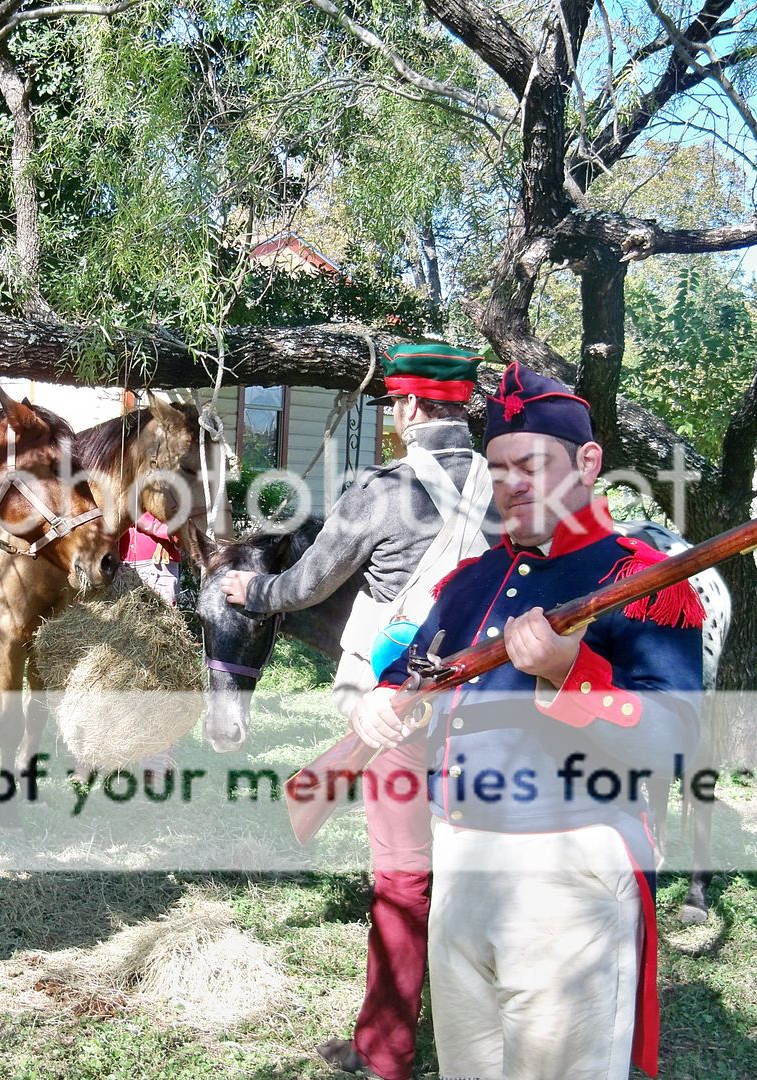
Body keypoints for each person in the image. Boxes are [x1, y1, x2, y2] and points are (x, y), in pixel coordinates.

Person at [356, 361, 704, 1080]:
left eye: (532, 464)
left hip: (568, 877)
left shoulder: (638, 581)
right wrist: (378, 699)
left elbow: (671, 742)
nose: (511, 482)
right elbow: (412, 676)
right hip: (459, 865)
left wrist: (569, 673)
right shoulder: (474, 581)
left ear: (586, 462)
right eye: (500, 465)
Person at [220, 341, 496, 1080]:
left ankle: (386, 1049)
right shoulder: (520, 488)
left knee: (403, 881)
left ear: (406, 409)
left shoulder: (382, 490)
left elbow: (308, 583)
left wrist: (255, 594)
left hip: (403, 708)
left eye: (394, 407)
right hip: (501, 711)